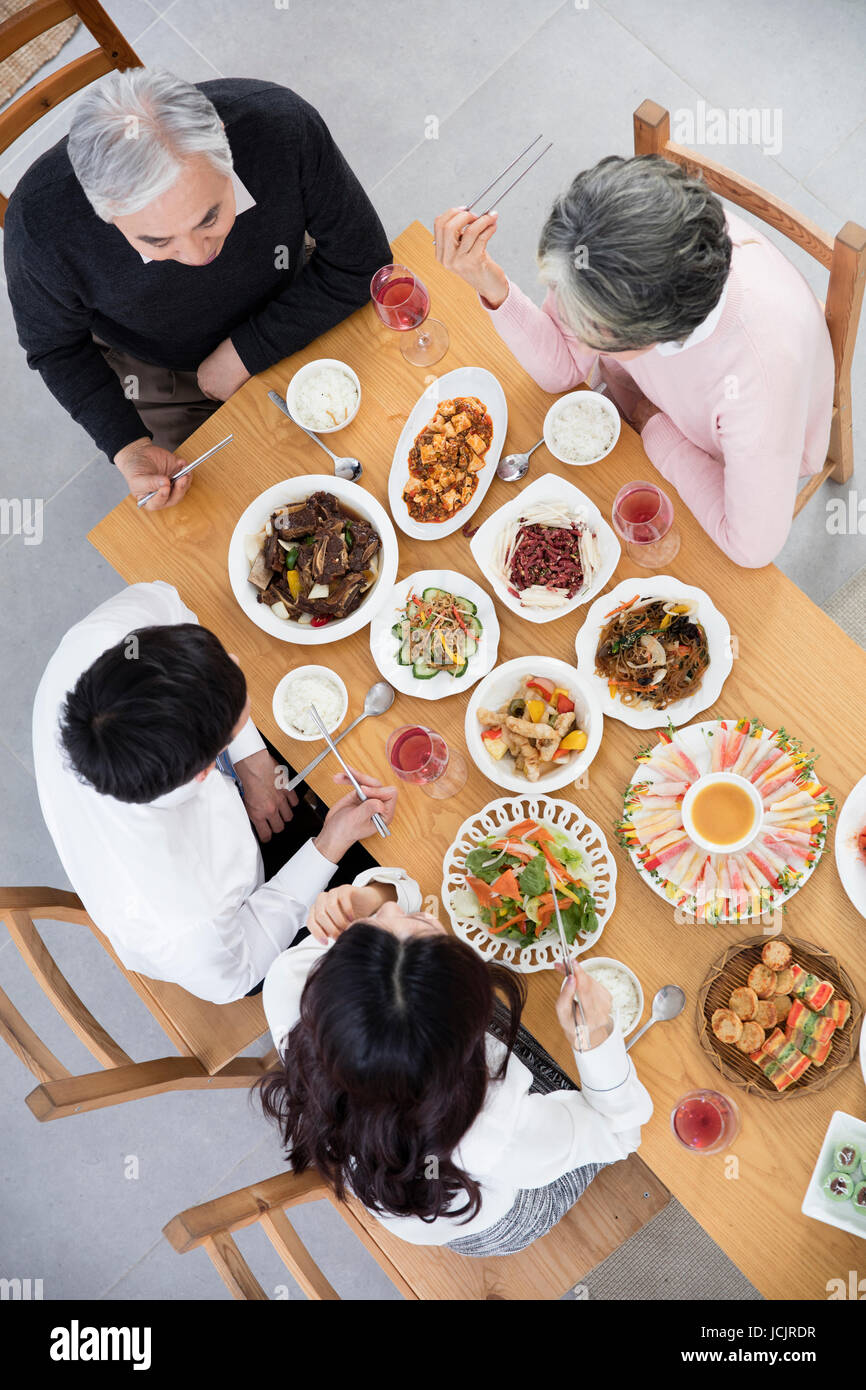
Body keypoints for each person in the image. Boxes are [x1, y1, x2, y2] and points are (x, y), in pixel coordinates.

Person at [4, 69, 392, 510]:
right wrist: (128, 447)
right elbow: (56, 349)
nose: (194, 255)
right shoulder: (40, 231)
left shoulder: (281, 125)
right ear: (104, 213)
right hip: (159, 359)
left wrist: (246, 350)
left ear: (224, 144)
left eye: (208, 217)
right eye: (157, 240)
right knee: (231, 505)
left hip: (293, 291)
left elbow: (363, 261)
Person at [434, 155, 834, 568]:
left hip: (729, 448)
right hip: (654, 402)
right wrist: (488, 281)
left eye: (589, 323)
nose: (566, 317)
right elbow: (563, 371)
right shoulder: (607, 247)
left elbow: (753, 547)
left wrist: (653, 426)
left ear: (654, 331)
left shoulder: (758, 387)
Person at [32, 581, 397, 1003]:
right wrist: (330, 842)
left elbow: (172, 604)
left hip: (196, 788)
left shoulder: (104, 641)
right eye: (235, 724)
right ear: (208, 769)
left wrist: (253, 758)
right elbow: (245, 961)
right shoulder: (189, 927)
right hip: (241, 928)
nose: (236, 658)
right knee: (383, 883)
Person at [260, 879, 652, 1254]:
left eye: (373, 924)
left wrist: (368, 897)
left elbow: (404, 894)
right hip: (493, 1211)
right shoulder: (492, 1132)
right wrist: (595, 1034)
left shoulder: (290, 982)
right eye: (416, 923)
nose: (393, 908)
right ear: (472, 1027)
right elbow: (618, 1134)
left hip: (411, 1185)